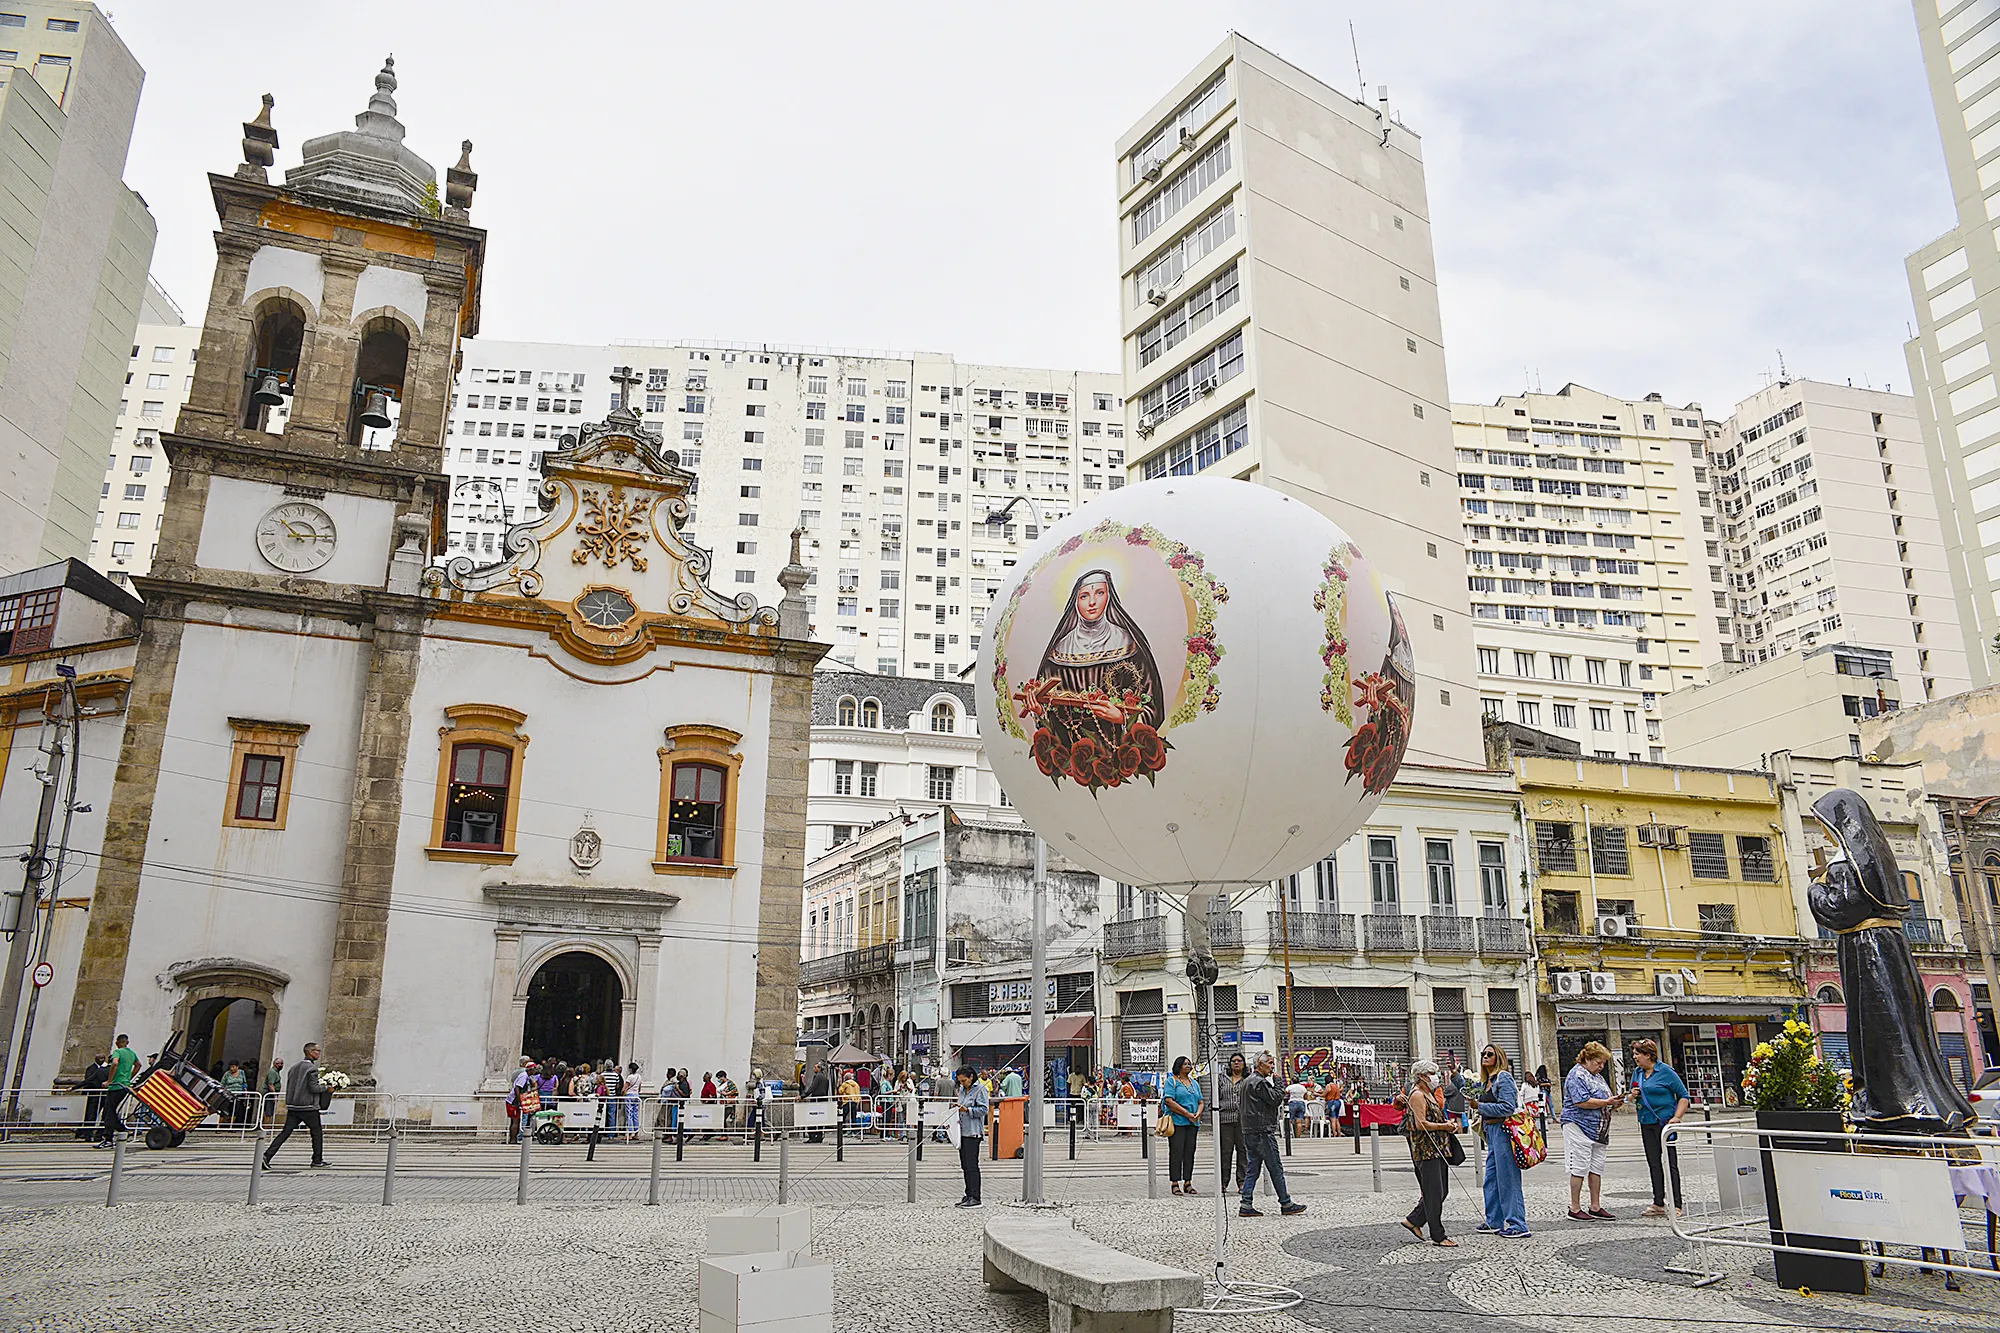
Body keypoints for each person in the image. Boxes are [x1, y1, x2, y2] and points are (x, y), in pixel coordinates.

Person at [1238, 1051, 1307, 1218]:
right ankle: (1285, 1202)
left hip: (1250, 1130)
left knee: (1253, 1168)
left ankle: (1246, 1203)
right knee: (1275, 1167)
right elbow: (1275, 1099)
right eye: (1269, 1063)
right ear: (1260, 1064)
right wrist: (1278, 1082)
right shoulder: (1260, 1083)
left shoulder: (1246, 1081)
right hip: (1262, 1130)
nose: (1272, 1066)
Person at [1561, 1041, 1624, 1220]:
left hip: (1599, 1129)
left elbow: (1605, 1099)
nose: (1601, 1067)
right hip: (1578, 1126)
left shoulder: (1597, 1077)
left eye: (1603, 1063)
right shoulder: (1576, 1075)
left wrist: (1615, 1103)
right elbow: (1581, 1101)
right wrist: (1607, 1102)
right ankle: (1574, 1207)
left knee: (1596, 1167)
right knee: (1579, 1166)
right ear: (1587, 1059)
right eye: (1599, 1063)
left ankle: (1595, 1205)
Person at [1397, 1060, 1457, 1247]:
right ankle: (1438, 1235)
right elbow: (1419, 1124)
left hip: (1438, 1149)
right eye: (1432, 1072)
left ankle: (1414, 1220)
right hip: (1426, 1150)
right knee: (1433, 1193)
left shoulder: (1428, 1094)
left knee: (1441, 1191)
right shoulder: (1417, 1095)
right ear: (1422, 1076)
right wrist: (1444, 1126)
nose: (1436, 1076)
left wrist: (1449, 1125)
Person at [1474, 1044, 1530, 1238]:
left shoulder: (1503, 1078)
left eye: (1490, 1054)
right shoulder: (1486, 1081)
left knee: (1508, 1178)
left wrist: (1480, 1106)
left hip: (1504, 1131)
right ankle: (1494, 1220)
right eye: (1483, 1054)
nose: (1485, 1056)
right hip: (1492, 1132)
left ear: (1499, 1058)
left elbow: (1507, 1108)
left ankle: (1517, 1223)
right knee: (1491, 1178)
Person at [1630, 1039, 1690, 1217]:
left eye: (1637, 1054)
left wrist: (1677, 1117)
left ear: (1648, 1055)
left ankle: (1677, 1204)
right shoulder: (1638, 1072)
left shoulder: (1665, 1071)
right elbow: (1631, 1095)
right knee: (1653, 1163)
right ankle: (1658, 1202)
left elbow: (1683, 1096)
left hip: (1664, 1124)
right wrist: (1632, 1095)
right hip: (1646, 1121)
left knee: (1671, 1163)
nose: (1634, 1057)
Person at [263, 1041, 328, 1170]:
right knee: (316, 1133)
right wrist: (327, 1088)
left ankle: (267, 1155)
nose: (319, 1053)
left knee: (285, 1133)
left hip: (293, 1106)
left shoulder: (294, 1067)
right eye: (317, 1051)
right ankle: (317, 1159)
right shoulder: (312, 1069)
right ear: (310, 1052)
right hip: (308, 1106)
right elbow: (314, 1088)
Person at [1162, 1055, 1204, 1196]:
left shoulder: (1194, 1083)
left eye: (1189, 1063)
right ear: (1179, 1066)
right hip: (1177, 1122)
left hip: (1192, 1123)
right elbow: (1168, 1100)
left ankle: (1188, 1181)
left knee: (1189, 1152)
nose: (1188, 1066)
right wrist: (1186, 1114)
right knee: (1176, 1152)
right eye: (1185, 1064)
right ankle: (1175, 1182)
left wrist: (1197, 1113)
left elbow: (1201, 1101)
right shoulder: (1171, 1081)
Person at [952, 1065, 989, 1207]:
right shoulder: (962, 1090)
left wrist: (968, 1110)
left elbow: (984, 1109)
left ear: (971, 1077)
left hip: (973, 1132)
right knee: (965, 1165)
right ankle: (968, 1194)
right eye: (960, 1081)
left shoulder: (980, 1089)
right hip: (961, 1131)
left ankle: (976, 1196)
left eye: (964, 1081)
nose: (962, 1083)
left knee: (972, 1165)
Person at [97, 1034, 140, 1148]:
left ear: (117, 1043)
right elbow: (138, 1065)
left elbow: (115, 1063)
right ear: (127, 1042)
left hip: (115, 1086)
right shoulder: (131, 1053)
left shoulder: (118, 1052)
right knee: (111, 1111)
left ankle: (108, 1138)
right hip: (125, 1085)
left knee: (109, 1112)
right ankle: (122, 1130)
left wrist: (109, 1081)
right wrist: (129, 1077)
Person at [1215, 1052, 1250, 1190]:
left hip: (1244, 1121)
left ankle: (1242, 1182)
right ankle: (1223, 1182)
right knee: (1225, 1152)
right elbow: (1215, 1098)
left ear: (1244, 1064)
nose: (1236, 1063)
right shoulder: (1222, 1079)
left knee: (1243, 1151)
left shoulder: (1248, 1079)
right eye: (1233, 1061)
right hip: (1225, 1120)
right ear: (1229, 1064)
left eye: (1239, 1061)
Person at [77, 1053, 111, 1141]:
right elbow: (88, 1080)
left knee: (105, 1114)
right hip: (93, 1095)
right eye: (100, 1058)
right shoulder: (91, 1068)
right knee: (91, 1115)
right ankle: (87, 1133)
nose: (102, 1060)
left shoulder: (107, 1069)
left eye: (103, 1058)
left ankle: (99, 1134)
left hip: (103, 1095)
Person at [507, 1057, 536, 1143]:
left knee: (514, 1120)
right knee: (516, 1120)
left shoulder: (525, 1076)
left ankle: (513, 1138)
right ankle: (513, 1140)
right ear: (531, 1069)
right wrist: (520, 1101)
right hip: (513, 1101)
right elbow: (517, 1088)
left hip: (513, 1100)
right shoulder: (524, 1076)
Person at [1285, 1073, 1308, 1138]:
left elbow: (1285, 1092)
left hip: (1292, 1103)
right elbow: (1306, 1096)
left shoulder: (1290, 1087)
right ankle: (1298, 1136)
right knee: (1299, 1121)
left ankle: (1289, 1135)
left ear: (1292, 1081)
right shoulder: (1302, 1087)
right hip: (1301, 1103)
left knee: (1289, 1120)